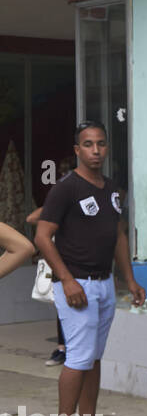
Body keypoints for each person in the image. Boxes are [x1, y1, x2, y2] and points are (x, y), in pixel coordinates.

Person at [35, 120, 146, 416]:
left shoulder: (112, 189)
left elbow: (119, 236)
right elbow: (42, 236)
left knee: (93, 359)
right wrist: (67, 279)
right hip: (77, 285)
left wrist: (129, 279)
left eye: (100, 143)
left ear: (107, 147)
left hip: (104, 285)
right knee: (78, 359)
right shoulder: (66, 188)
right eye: (88, 144)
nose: (95, 150)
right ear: (77, 150)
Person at [28, 156, 76, 365]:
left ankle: (70, 349)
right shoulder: (60, 200)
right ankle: (62, 348)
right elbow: (31, 219)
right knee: (61, 305)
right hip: (61, 261)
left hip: (81, 262)